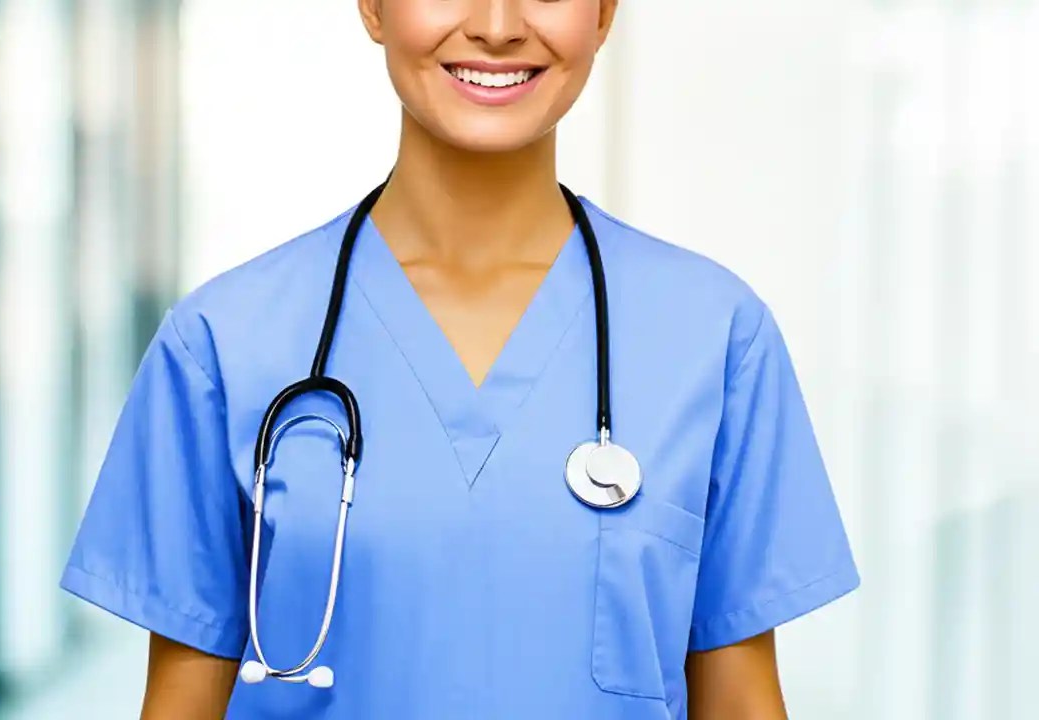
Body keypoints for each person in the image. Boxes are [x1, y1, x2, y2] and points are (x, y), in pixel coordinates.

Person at [60, 1, 861, 718]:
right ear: (373, 6)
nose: (498, 23)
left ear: (606, 12)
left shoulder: (713, 338)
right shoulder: (223, 345)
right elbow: (180, 702)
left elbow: (742, 699)